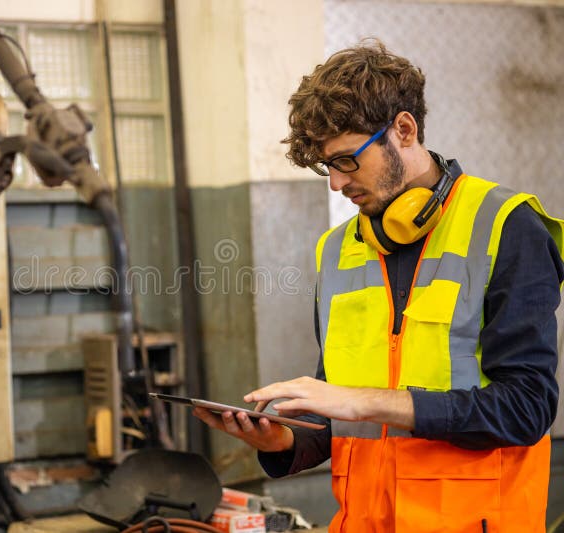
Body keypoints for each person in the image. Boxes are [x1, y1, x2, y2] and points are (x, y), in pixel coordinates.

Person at [193, 39, 564, 532]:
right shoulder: (338, 250)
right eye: (328, 165)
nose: (336, 183)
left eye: (346, 159)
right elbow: (338, 416)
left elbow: (526, 408)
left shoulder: (506, 227)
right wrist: (283, 442)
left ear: (404, 130)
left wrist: (365, 399)